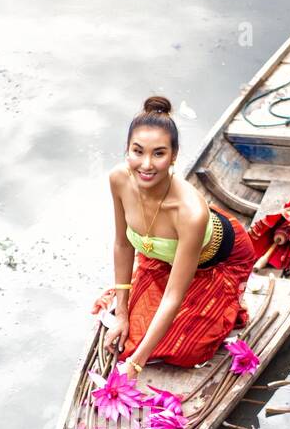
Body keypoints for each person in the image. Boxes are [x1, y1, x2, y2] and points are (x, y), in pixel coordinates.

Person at [92, 96, 257, 375]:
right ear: (127, 151)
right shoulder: (118, 179)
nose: (146, 164)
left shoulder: (190, 212)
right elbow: (122, 244)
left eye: (158, 153)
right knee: (128, 332)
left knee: (183, 351)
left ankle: (227, 301)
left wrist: (136, 365)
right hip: (161, 255)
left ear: (174, 157)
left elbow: (172, 298)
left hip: (216, 262)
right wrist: (121, 314)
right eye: (138, 151)